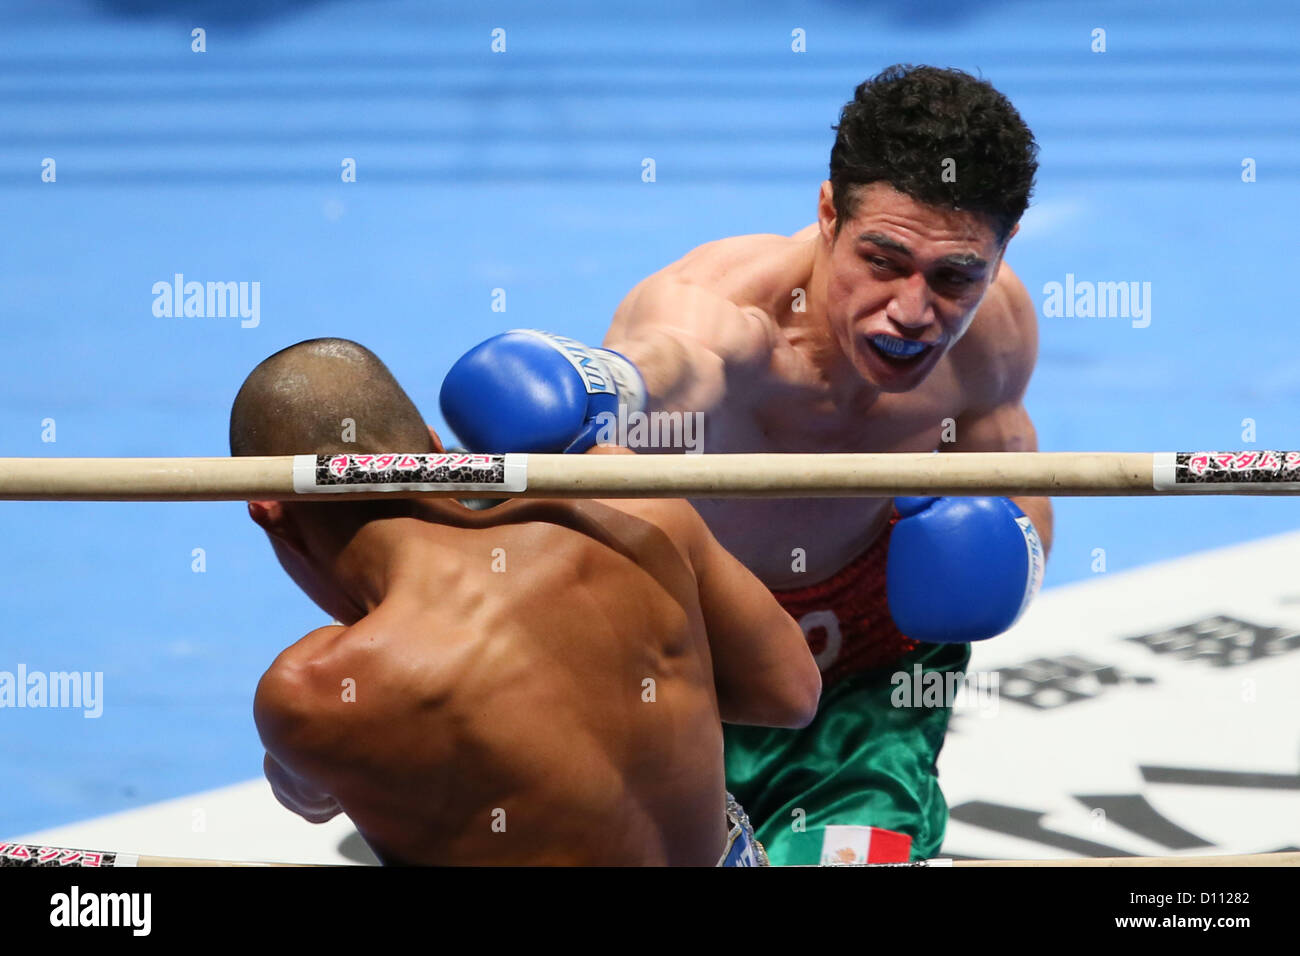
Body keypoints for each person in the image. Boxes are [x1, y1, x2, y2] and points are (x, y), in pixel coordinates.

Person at [439, 64, 1051, 865]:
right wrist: (607, 382)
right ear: (829, 214)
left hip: (863, 693)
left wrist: (1017, 554)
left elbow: (1018, 479)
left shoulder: (998, 329)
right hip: (674, 677)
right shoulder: (722, 312)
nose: (911, 310)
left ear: (1002, 251)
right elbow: (671, 360)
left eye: (953, 276)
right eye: (883, 258)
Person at [230, 337, 820, 865]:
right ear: (437, 448)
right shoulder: (620, 502)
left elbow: (307, 798)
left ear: (266, 510)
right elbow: (790, 692)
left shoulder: (313, 690)